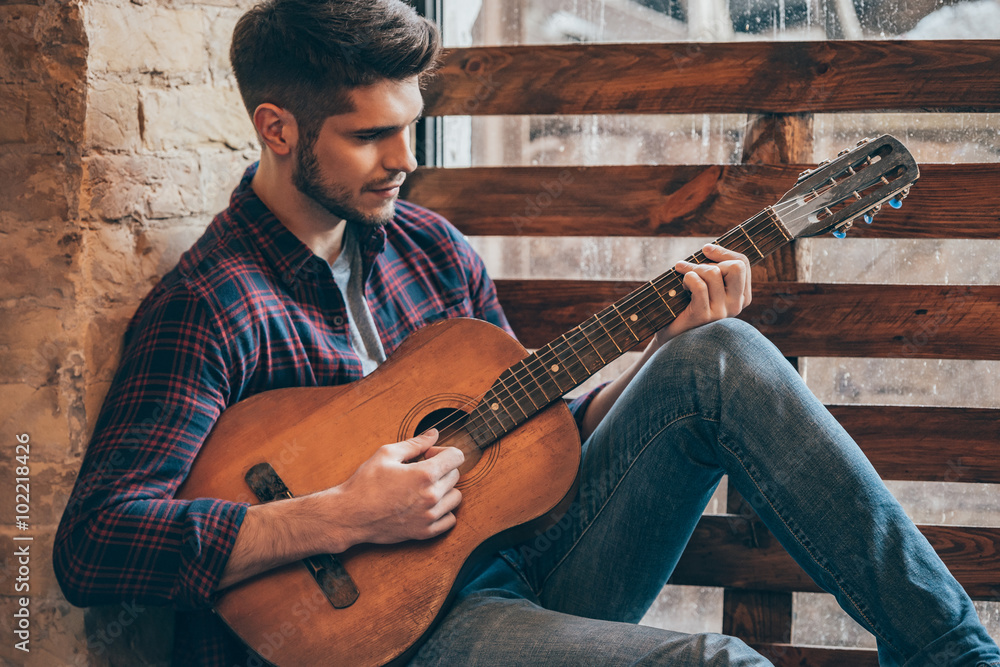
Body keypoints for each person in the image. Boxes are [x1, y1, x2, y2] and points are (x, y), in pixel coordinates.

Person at [53, 1, 1000, 665]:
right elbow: (96, 543)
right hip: (384, 640)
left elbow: (525, 433)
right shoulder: (210, 305)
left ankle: (955, 653)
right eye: (370, 137)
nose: (405, 160)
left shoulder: (430, 249)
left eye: (412, 126)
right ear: (278, 128)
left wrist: (657, 355)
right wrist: (341, 514)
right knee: (720, 662)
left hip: (519, 563)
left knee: (721, 355)